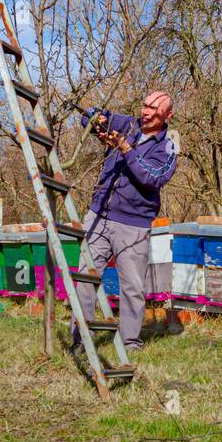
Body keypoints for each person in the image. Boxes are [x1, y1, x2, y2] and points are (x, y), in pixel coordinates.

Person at [72, 90, 177, 357]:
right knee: (85, 278)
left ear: (167, 115)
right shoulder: (127, 124)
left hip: (133, 225)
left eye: (154, 109)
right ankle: (81, 337)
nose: (146, 112)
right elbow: (95, 117)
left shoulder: (168, 146)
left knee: (132, 286)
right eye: (144, 105)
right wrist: (96, 121)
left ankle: (129, 342)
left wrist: (126, 148)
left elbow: (152, 177)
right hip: (98, 215)